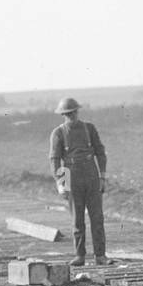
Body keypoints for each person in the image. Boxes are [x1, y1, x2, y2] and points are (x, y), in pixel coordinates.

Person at [48, 96, 109, 266]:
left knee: (97, 218)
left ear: (77, 111)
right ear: (63, 115)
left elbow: (100, 153)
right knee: (77, 219)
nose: (71, 116)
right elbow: (55, 159)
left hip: (91, 174)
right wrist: (60, 183)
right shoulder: (58, 133)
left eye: (73, 112)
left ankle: (100, 255)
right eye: (67, 113)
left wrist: (102, 177)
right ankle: (80, 255)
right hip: (72, 176)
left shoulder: (89, 128)